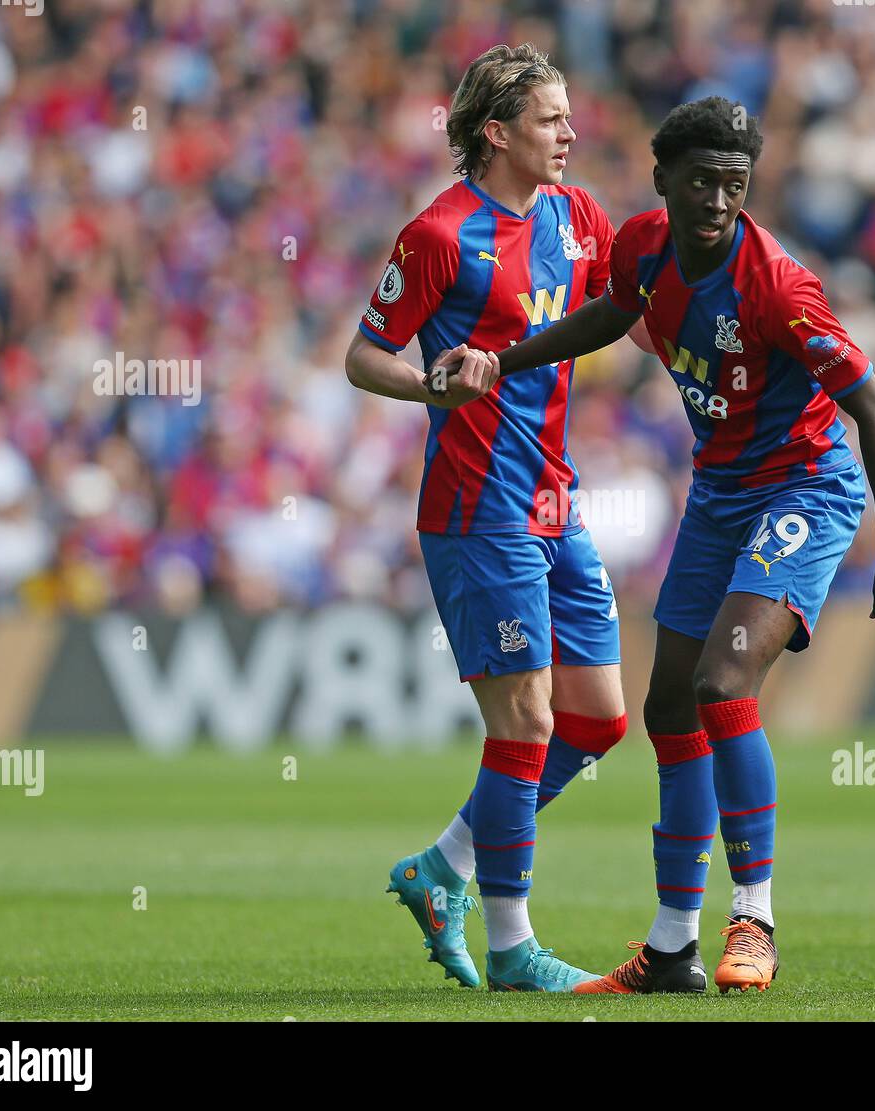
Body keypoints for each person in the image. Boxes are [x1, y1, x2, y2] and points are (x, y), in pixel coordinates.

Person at [435, 96, 875, 995]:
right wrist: (504, 360)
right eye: (702, 181)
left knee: (721, 683)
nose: (718, 201)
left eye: (735, 186)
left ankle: (756, 921)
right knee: (668, 708)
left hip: (804, 488)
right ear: (664, 179)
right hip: (719, 494)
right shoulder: (642, 247)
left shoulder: (778, 286)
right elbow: (606, 317)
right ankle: (671, 949)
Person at [344, 43, 631, 993]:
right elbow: (363, 356)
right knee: (528, 720)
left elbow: (623, 315)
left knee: (599, 718)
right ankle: (513, 946)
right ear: (498, 132)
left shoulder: (579, 217)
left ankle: (445, 866)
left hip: (557, 499)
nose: (570, 132)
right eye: (552, 119)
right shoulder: (439, 234)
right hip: (476, 510)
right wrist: (432, 386)